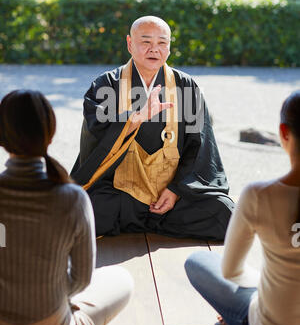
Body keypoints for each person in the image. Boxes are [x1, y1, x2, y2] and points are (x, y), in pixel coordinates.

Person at [71, 15, 234, 240]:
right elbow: (95, 137)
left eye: (162, 43)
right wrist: (134, 119)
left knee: (225, 213)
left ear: (169, 47)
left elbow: (201, 147)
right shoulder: (107, 85)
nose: (154, 49)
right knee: (79, 213)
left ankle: (141, 220)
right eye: (145, 42)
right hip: (120, 193)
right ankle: (153, 221)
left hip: (172, 195)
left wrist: (177, 190)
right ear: (130, 44)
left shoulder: (186, 86)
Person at [0, 90, 134, 325]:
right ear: (49, 135)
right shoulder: (72, 198)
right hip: (52, 324)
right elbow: (82, 279)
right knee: (122, 280)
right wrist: (48, 292)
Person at [185, 90, 300, 325]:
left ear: (283, 132)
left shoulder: (260, 195)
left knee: (198, 262)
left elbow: (231, 271)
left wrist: (269, 285)